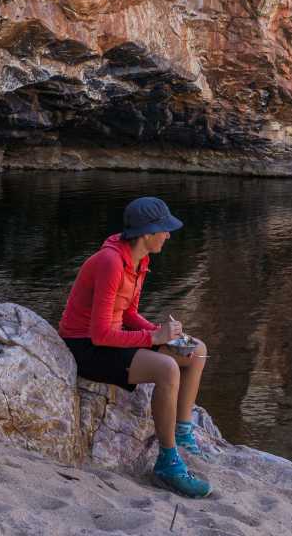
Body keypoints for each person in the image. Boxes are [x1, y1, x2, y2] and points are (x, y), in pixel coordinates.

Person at [57, 196, 212, 498]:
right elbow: (100, 334)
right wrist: (153, 339)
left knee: (196, 351)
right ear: (147, 233)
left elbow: (126, 313)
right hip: (85, 346)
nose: (168, 235)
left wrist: (159, 332)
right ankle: (167, 463)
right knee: (167, 368)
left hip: (112, 338)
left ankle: (182, 431)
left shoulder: (139, 259)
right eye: (164, 229)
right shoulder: (111, 262)